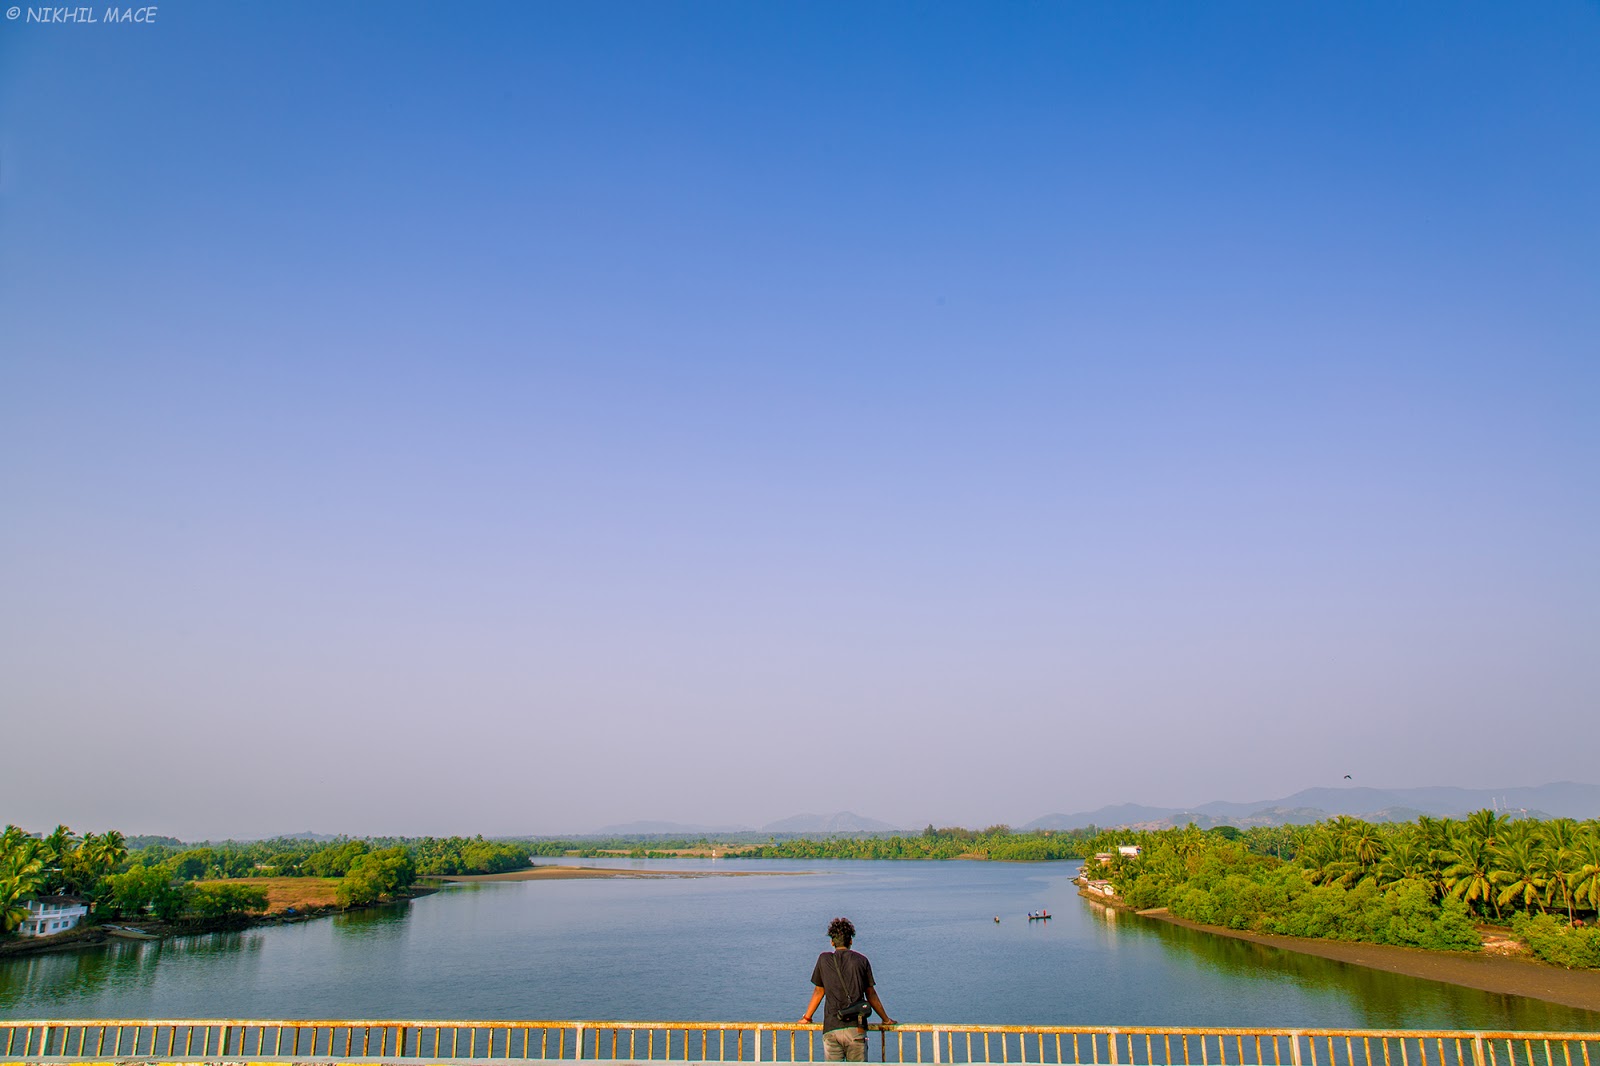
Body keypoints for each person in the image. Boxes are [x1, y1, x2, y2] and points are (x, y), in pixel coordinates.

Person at [799, 916, 895, 1061]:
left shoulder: (824, 960)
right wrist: (885, 1019)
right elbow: (871, 994)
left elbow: (819, 992)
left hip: (832, 1027)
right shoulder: (861, 960)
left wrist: (807, 1017)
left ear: (832, 941)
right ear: (851, 940)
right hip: (856, 1028)